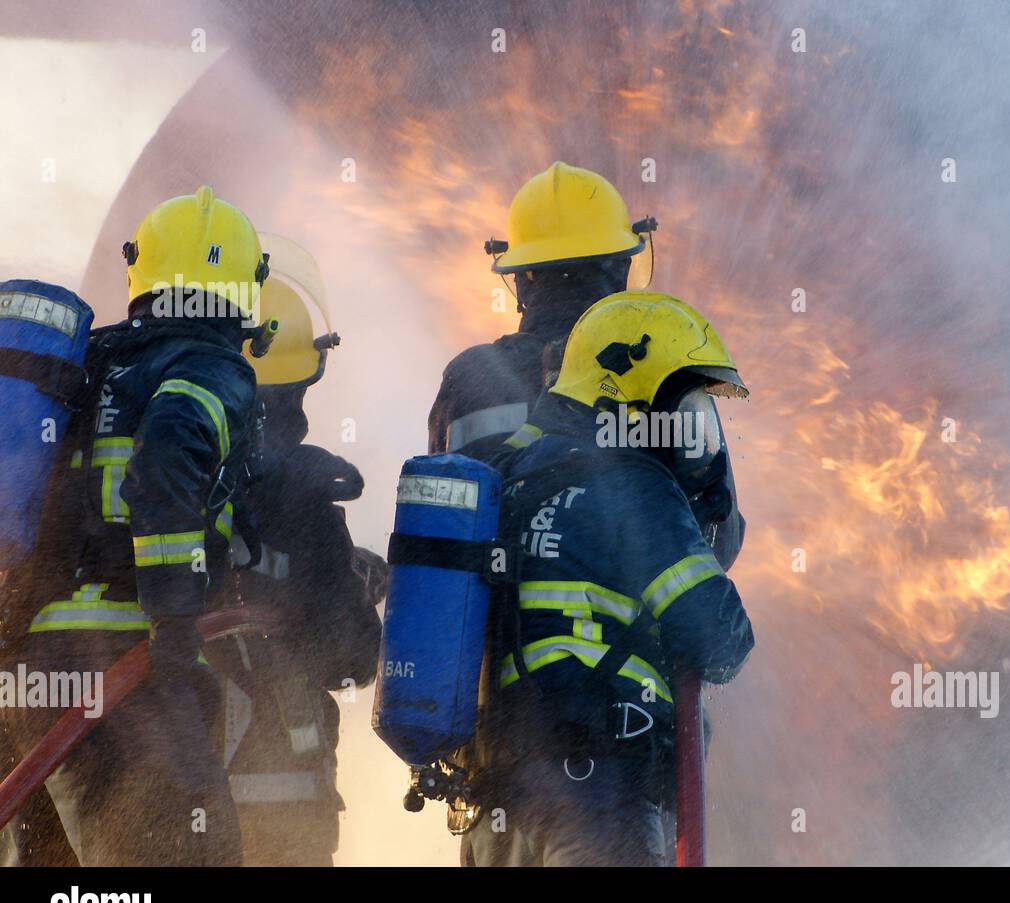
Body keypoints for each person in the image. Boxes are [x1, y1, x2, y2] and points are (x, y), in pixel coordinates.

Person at [0, 186, 265, 865]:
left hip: (31, 668)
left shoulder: (84, 362)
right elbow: (162, 468)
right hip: (119, 661)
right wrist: (175, 621)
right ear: (243, 289)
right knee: (192, 854)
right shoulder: (206, 365)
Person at [461, 290, 755, 866]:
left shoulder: (508, 477)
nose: (689, 432)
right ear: (629, 398)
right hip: (596, 796)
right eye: (682, 410)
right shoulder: (632, 486)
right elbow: (721, 637)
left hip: (497, 807)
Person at [426, 161, 743, 568]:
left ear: (522, 279)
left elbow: (438, 524)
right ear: (622, 267)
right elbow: (720, 542)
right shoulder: (663, 371)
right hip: (629, 625)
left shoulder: (470, 374)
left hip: (495, 628)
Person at [207, 237, 384, 865]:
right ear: (302, 385)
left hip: (176, 795)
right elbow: (351, 657)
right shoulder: (309, 500)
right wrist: (355, 583)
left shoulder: (175, 473)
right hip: (285, 807)